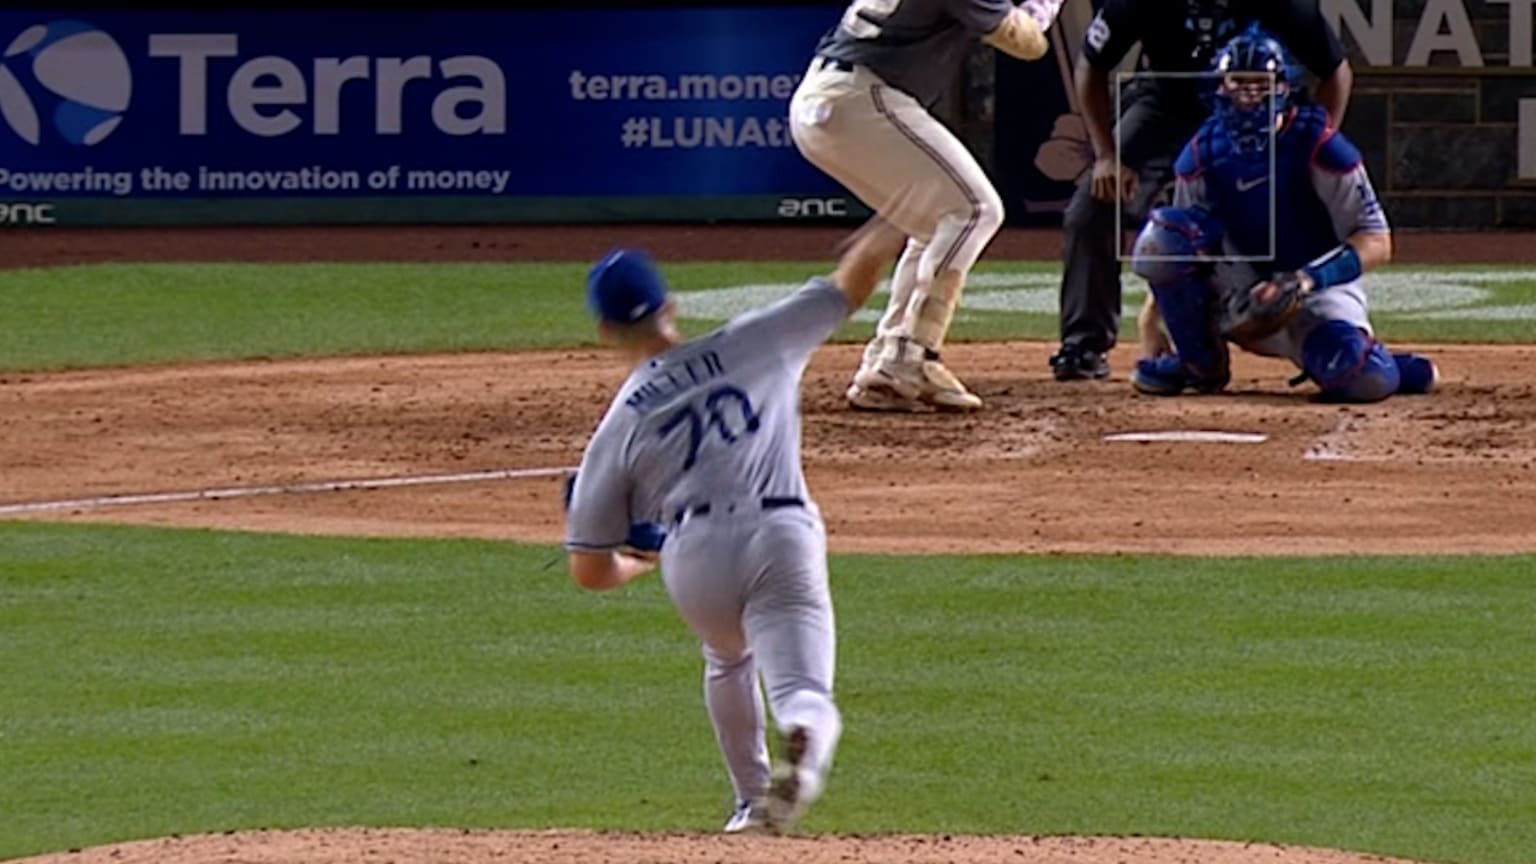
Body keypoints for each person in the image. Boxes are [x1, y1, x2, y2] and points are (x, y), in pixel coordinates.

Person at [561, 216, 910, 835]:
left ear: (606, 331)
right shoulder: (758, 339)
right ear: (670, 304)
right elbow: (849, 284)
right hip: (781, 533)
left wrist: (639, 562)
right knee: (802, 690)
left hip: (693, 557)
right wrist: (891, 222)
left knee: (726, 657)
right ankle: (803, 741)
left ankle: (752, 803)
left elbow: (588, 569)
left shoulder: (619, 427)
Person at [1125, 24, 1437, 402]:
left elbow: (1376, 241)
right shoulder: (1202, 151)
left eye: (1260, 85)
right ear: (1220, 88)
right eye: (1238, 84)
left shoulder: (1319, 145)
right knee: (1161, 239)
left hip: (1314, 282)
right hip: (1242, 280)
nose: (1248, 97)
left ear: (1282, 89)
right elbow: (1179, 244)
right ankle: (1199, 364)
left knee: (1363, 380)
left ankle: (1390, 365)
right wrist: (1151, 314)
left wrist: (1305, 279)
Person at [1048, 0, 1353, 382]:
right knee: (1090, 207)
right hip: (1165, 101)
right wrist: (1107, 155)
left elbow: (1335, 71)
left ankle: (1306, 318)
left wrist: (1310, 149)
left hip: (1252, 106)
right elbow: (1090, 66)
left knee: (1263, 211)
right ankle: (1084, 344)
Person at [789, 0, 1067, 412]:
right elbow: (1024, 42)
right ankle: (912, 355)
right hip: (860, 97)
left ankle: (889, 359)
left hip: (828, 98)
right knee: (976, 209)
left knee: (937, 223)